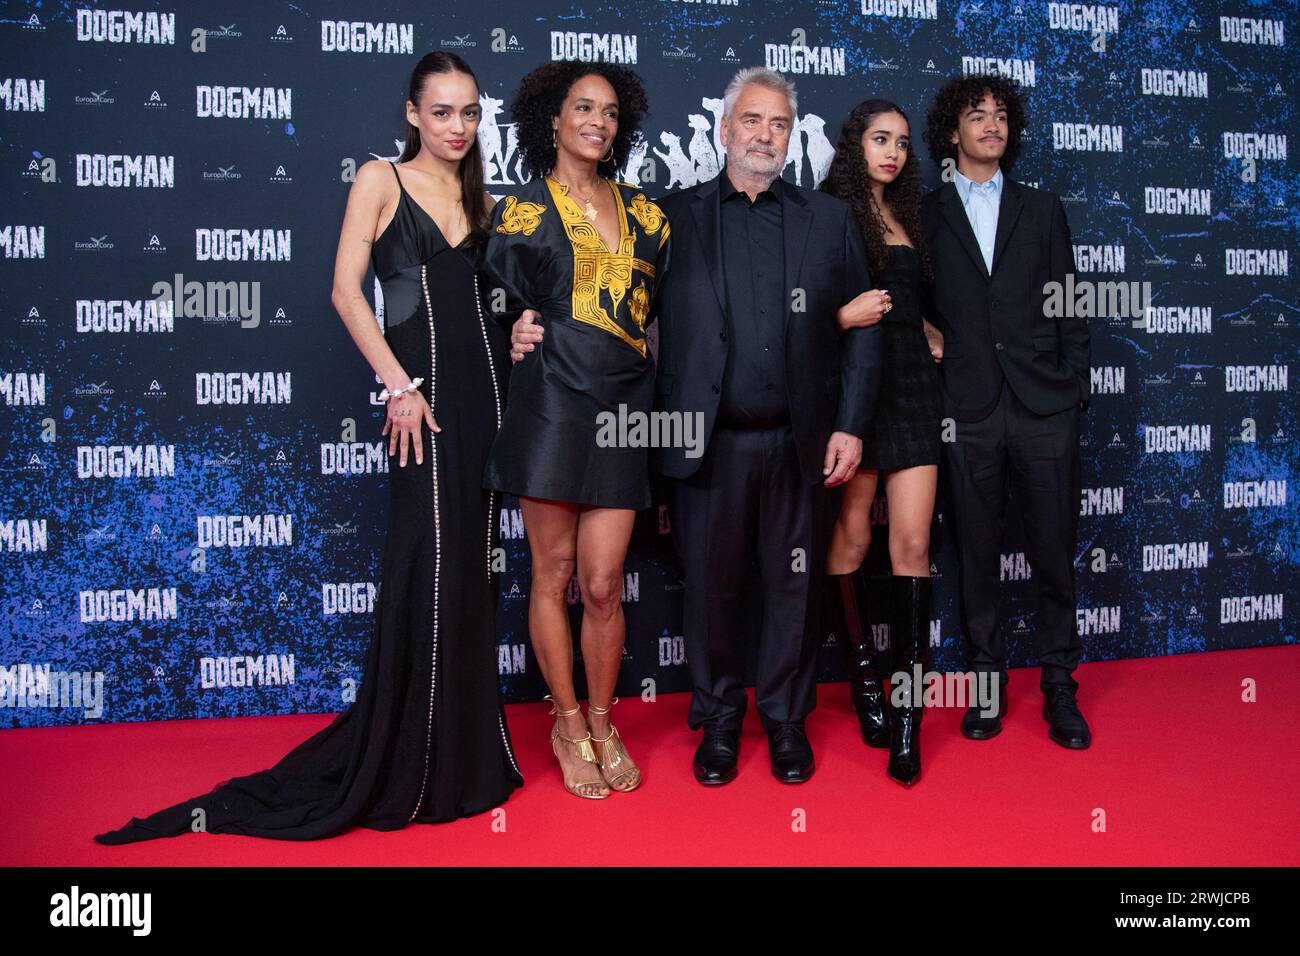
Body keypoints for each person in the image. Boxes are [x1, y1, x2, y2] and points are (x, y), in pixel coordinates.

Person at [93, 52, 522, 844]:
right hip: (422, 407)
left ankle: (466, 756)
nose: (457, 128)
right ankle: (412, 764)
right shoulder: (380, 181)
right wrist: (400, 385)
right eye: (441, 112)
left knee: (470, 573)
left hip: (489, 404)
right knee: (426, 571)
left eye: (468, 113)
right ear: (412, 114)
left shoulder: (484, 197)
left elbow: (485, 309)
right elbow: (344, 290)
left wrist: (522, 328)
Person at [516, 67, 882, 786]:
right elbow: (607, 302)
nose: (764, 135)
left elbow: (863, 326)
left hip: (798, 440)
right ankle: (717, 720)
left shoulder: (828, 219)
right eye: (751, 120)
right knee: (711, 591)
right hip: (703, 441)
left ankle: (783, 721)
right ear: (723, 129)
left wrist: (851, 425)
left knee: (791, 590)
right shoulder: (666, 218)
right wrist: (524, 324)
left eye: (778, 123)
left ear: (791, 135)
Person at [479, 61, 669, 799]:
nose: (598, 120)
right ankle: (565, 724)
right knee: (553, 575)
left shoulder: (650, 217)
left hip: (623, 414)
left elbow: (658, 322)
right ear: (550, 121)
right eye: (582, 108)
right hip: (552, 410)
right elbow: (489, 311)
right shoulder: (521, 212)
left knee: (601, 584)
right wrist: (514, 328)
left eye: (611, 112)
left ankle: (602, 717)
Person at [920, 74, 1092, 749]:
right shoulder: (926, 212)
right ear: (952, 132)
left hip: (1044, 405)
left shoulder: (1042, 208)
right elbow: (910, 300)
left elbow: (1069, 302)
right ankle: (986, 684)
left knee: (1053, 552)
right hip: (965, 409)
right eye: (976, 116)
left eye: (1000, 117)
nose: (991, 126)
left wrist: (1072, 386)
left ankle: (1059, 688)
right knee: (975, 554)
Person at [819, 99, 944, 786]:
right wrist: (843, 315)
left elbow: (917, 302)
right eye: (878, 139)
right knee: (849, 544)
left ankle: (907, 718)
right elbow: (795, 309)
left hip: (916, 396)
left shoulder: (913, 214)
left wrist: (931, 333)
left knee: (914, 547)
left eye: (900, 142)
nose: (891, 152)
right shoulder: (829, 211)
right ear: (854, 143)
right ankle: (865, 679)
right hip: (858, 398)